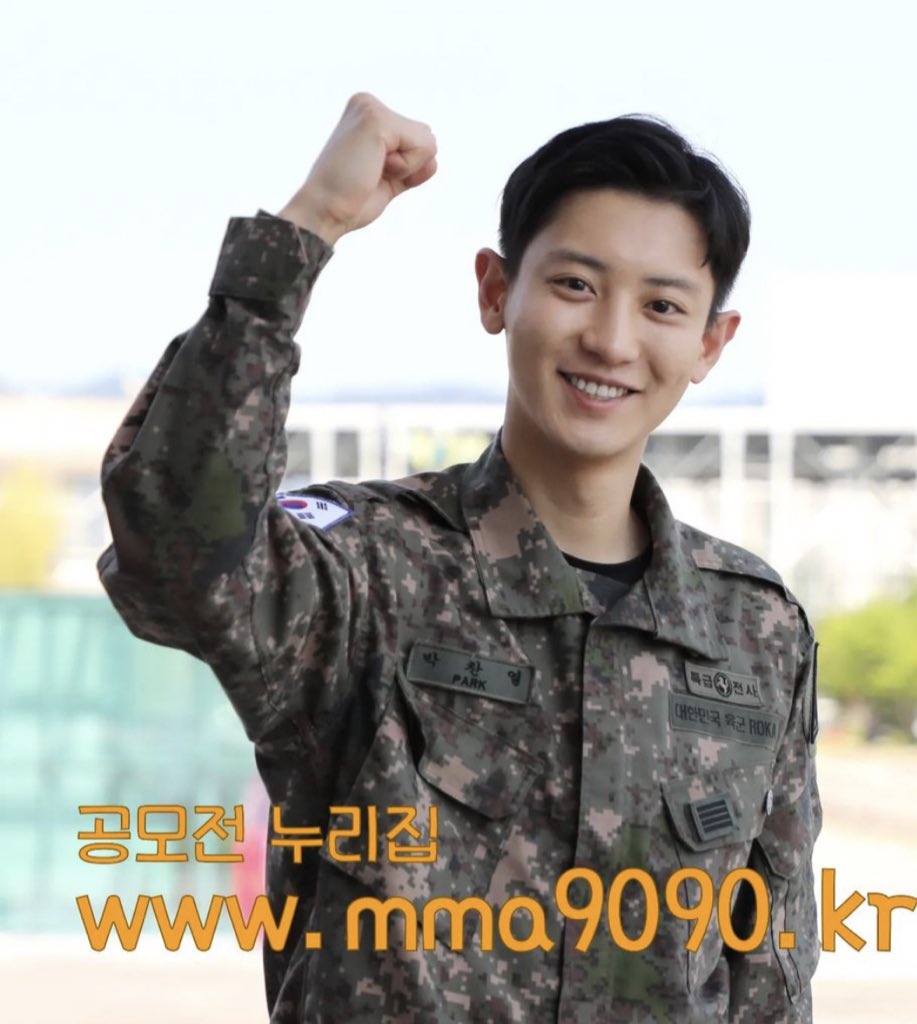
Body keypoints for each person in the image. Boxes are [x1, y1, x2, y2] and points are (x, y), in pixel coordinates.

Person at [97, 93, 821, 1023]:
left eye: (661, 305)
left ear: (709, 343)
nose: (611, 340)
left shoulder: (753, 632)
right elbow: (173, 549)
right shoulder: (369, 569)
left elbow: (769, 977)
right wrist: (310, 223)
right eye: (575, 285)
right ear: (494, 291)